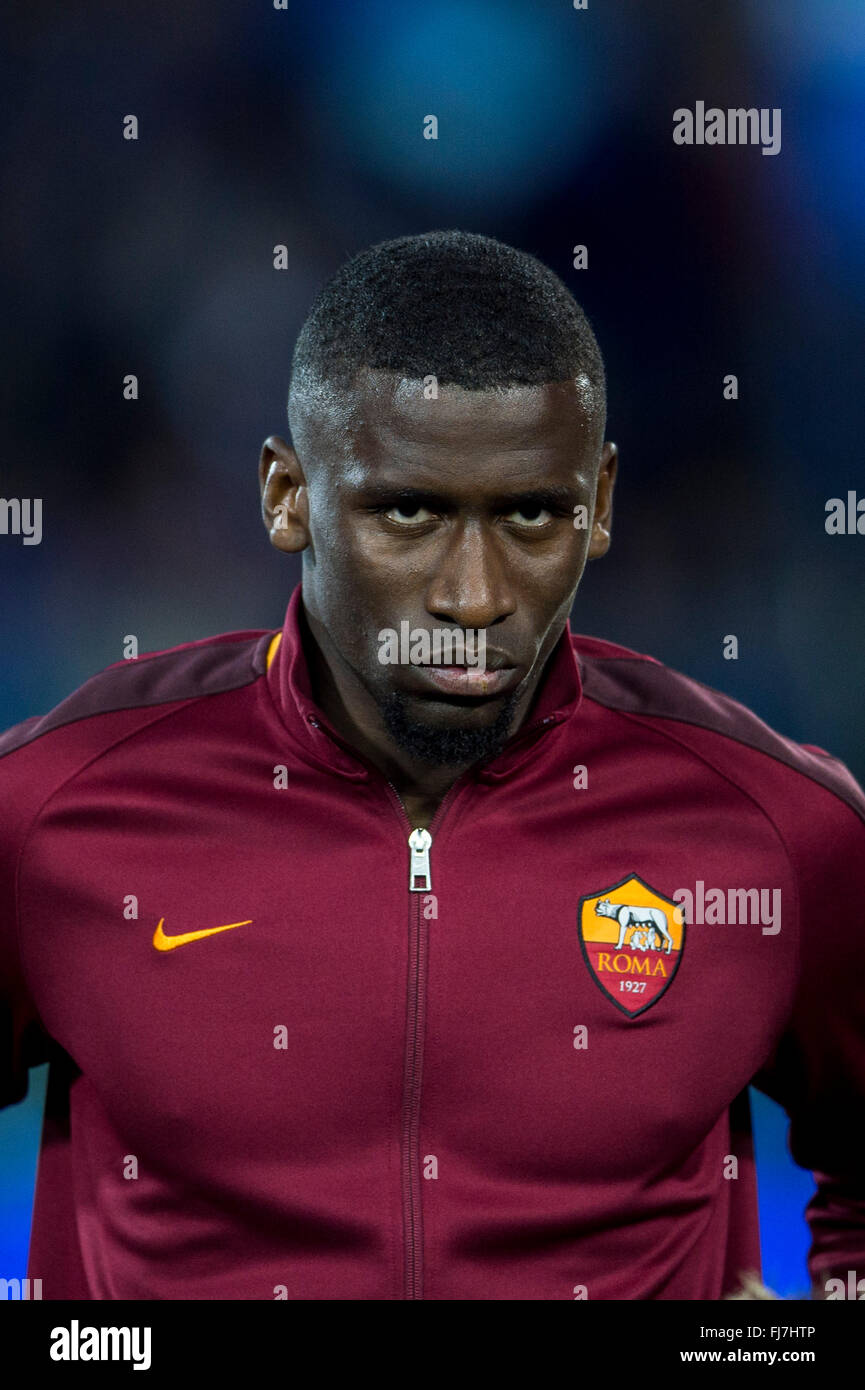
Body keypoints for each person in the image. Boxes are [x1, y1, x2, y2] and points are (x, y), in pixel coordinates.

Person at [1, 230, 863, 1301]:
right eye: (407, 511)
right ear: (288, 495)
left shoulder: (781, 831)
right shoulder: (51, 812)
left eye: (531, 516)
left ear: (598, 504)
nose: (470, 597)